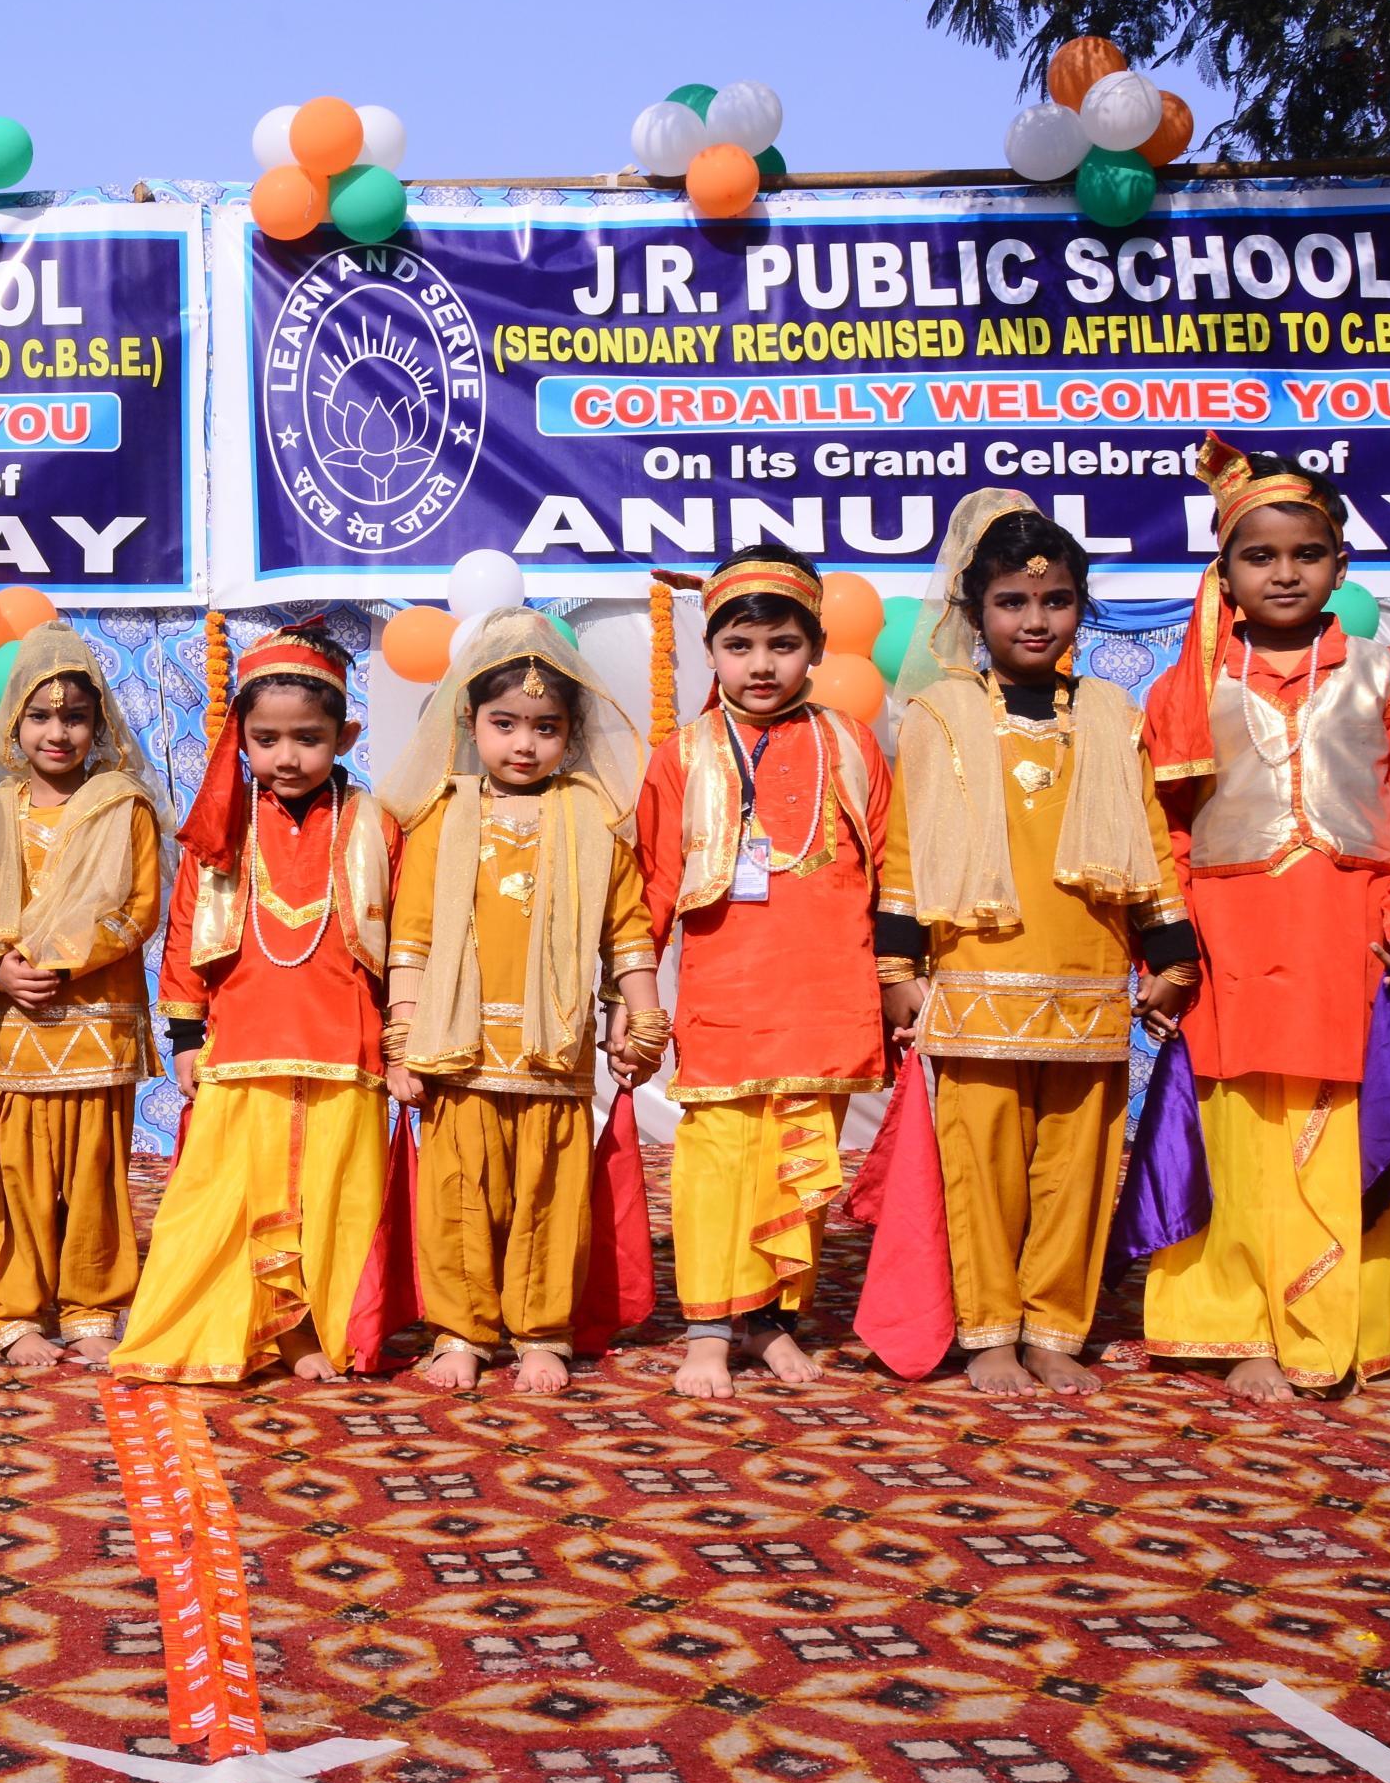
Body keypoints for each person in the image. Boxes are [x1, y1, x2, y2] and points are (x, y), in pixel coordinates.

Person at [1126, 436, 1390, 1401]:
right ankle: (1239, 1326)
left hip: (1352, 936)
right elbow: (1160, 834)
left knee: (1353, 1110)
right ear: (1224, 573)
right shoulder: (1184, 691)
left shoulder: (1388, 676)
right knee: (1239, 1130)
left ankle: (1367, 1323)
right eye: (1259, 556)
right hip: (1230, 941)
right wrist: (1168, 950)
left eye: (1306, 554)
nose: (1284, 572)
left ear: (1341, 566)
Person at [876, 491, 1195, 1395]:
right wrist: (897, 968)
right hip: (976, 975)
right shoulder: (940, 714)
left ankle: (1057, 1327)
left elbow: (1144, 846)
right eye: (1012, 601)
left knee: (1080, 1164)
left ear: (1079, 609)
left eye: (1054, 600)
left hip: (1088, 977)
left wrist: (1171, 959)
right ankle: (987, 1334)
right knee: (981, 1168)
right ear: (975, 611)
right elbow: (910, 846)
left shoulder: (1108, 714)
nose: (1034, 618)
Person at [114, 619, 409, 1386]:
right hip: (241, 1042)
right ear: (239, 738)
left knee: (333, 1197)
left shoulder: (375, 824)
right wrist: (183, 1035)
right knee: (227, 1195)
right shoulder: (224, 829)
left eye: (307, 738)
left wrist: (404, 1037)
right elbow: (183, 935)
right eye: (267, 738)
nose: (286, 757)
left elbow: (407, 938)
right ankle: (227, 1327)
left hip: (346, 1045)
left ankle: (322, 1329)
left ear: (344, 736)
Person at [381, 610, 665, 1395]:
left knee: (549, 1193)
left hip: (554, 1049)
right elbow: (412, 937)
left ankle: (542, 1330)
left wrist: (641, 1018)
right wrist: (401, 1038)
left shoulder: (594, 819)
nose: (524, 744)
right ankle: (459, 1330)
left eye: (546, 727)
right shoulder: (443, 815)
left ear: (571, 734)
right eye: (505, 723)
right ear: (471, 722)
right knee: (458, 1195)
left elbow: (626, 932)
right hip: (458, 1047)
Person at [636, 547, 891, 1399]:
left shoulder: (850, 744)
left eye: (782, 645)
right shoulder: (684, 754)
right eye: (740, 647)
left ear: (816, 650)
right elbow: (650, 887)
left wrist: (900, 981)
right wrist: (632, 1004)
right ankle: (708, 1328)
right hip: (726, 1000)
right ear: (711, 652)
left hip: (830, 994)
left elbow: (892, 867)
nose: (761, 665)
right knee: (715, 1164)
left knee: (802, 1158)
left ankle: (773, 1319)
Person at [0, 622, 163, 1372]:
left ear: (99, 723)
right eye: (41, 716)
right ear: (14, 721)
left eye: (75, 716)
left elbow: (137, 909)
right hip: (20, 1022)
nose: (59, 731)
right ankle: (13, 1312)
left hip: (96, 1020)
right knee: (16, 1174)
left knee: (97, 1178)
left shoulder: (124, 806)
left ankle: (91, 1305)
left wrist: (62, 958)